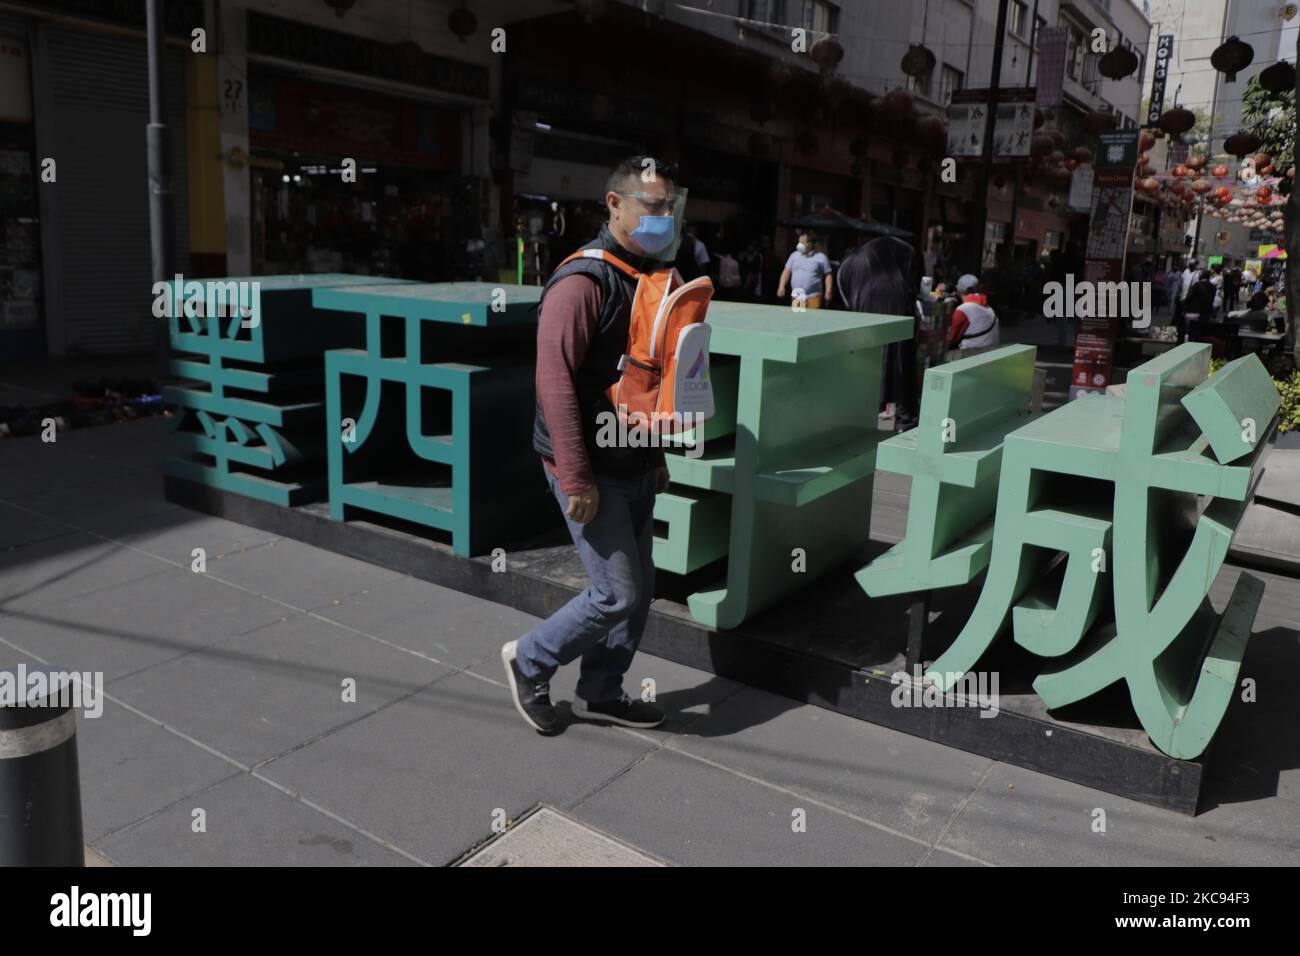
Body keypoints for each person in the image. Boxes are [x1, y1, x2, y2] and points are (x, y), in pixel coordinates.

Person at [502, 156, 680, 735]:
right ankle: (529, 661)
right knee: (615, 593)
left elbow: (647, 380)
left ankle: (602, 692)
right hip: (590, 467)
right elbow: (553, 382)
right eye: (652, 206)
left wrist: (655, 459)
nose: (663, 217)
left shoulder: (649, 280)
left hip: (633, 461)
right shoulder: (583, 280)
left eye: (669, 207)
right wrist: (575, 478)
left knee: (641, 590)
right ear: (615, 204)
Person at [837, 235, 921, 428]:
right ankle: (890, 418)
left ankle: (871, 414)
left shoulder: (851, 265)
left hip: (866, 322)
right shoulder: (897, 275)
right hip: (895, 318)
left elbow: (846, 301)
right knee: (895, 364)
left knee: (871, 363)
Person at [777, 232, 833, 309]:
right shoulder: (794, 256)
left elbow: (828, 275)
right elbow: (786, 272)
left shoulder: (821, 258)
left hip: (814, 297)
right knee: (797, 319)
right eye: (799, 242)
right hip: (797, 296)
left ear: (810, 244)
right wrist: (781, 286)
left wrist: (828, 291)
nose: (799, 245)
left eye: (802, 242)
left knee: (812, 319)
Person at [948, 274, 1000, 351]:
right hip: (992, 350)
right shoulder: (989, 308)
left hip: (971, 353)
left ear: (958, 290)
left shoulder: (963, 310)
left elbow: (951, 339)